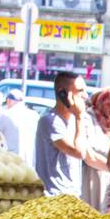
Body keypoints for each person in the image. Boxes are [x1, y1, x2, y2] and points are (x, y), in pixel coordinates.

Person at [34, 70, 88, 198]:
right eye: (80, 91)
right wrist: (79, 117)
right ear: (63, 93)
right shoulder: (50, 121)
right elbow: (79, 152)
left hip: (72, 195)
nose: (85, 96)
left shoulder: (76, 120)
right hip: (55, 196)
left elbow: (88, 153)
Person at [82, 84, 110, 210]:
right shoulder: (87, 119)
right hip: (90, 182)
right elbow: (88, 155)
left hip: (106, 182)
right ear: (108, 105)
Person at [0, 88, 37, 169]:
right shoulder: (34, 115)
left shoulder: (6, 115)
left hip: (11, 159)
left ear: (9, 100)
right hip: (30, 160)